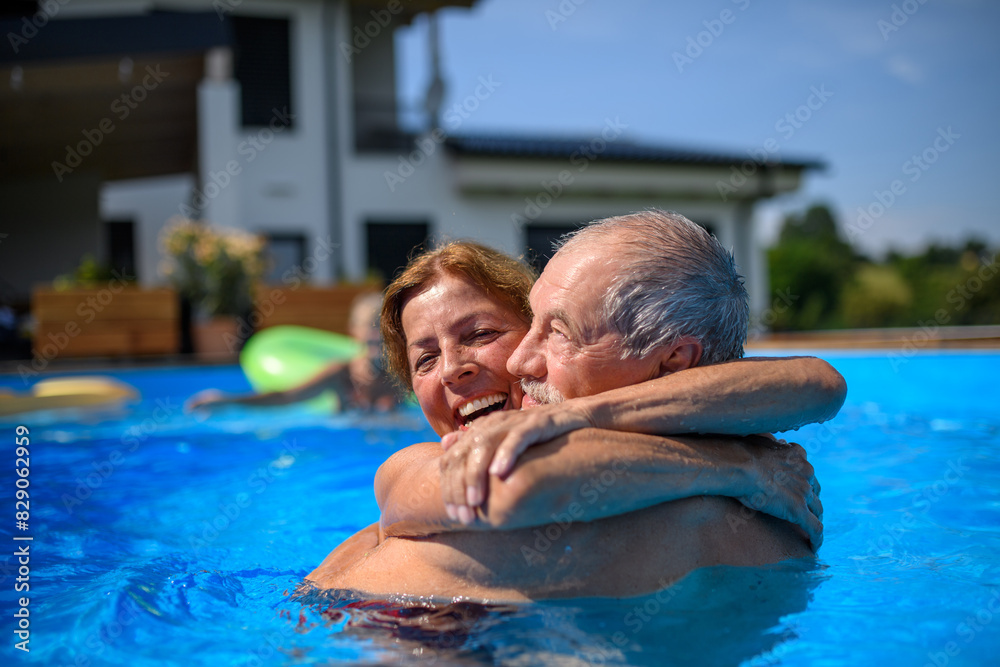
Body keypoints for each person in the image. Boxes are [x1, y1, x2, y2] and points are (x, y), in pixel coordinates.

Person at [306, 225, 845, 600]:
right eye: (423, 359)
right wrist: (739, 468)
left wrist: (572, 416)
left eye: (484, 335)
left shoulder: (768, 490)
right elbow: (514, 485)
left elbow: (820, 383)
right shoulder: (778, 490)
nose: (452, 370)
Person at [186, 292, 403, 412]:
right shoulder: (340, 374)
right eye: (369, 326)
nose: (376, 335)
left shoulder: (402, 376)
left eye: (381, 327)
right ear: (353, 331)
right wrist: (228, 400)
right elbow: (286, 397)